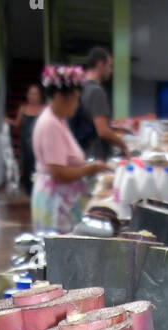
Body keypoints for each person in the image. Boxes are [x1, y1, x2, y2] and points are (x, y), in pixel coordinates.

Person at [31, 64, 110, 233]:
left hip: (63, 201)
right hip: (55, 204)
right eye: (75, 98)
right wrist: (90, 169)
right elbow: (58, 173)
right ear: (60, 96)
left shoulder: (59, 120)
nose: (76, 104)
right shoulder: (50, 124)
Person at [71, 46, 125, 162]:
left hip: (82, 151)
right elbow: (103, 131)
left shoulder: (80, 87)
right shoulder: (96, 91)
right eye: (109, 66)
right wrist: (123, 145)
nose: (111, 70)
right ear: (100, 64)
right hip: (95, 155)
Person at [13, 83, 44, 194]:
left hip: (39, 146)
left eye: (35, 94)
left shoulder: (45, 109)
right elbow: (17, 124)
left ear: (40, 96)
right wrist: (7, 120)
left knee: (38, 171)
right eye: (30, 94)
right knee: (26, 170)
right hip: (25, 145)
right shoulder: (23, 109)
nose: (32, 96)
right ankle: (29, 193)